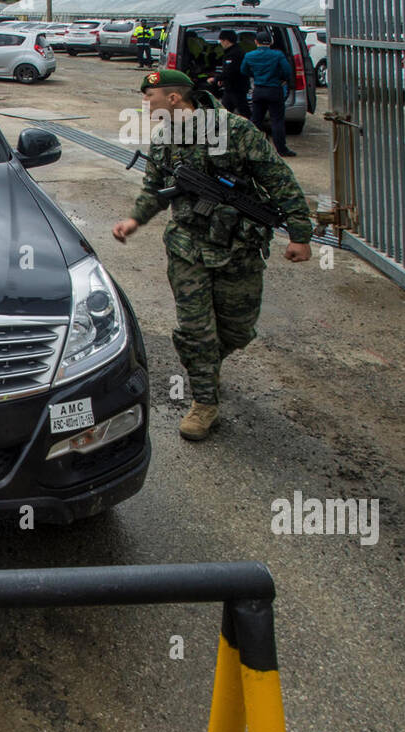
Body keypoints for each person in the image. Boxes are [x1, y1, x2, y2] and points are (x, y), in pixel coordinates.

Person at [111, 68, 313, 440]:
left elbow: (278, 179)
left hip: (239, 248)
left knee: (236, 330)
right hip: (188, 247)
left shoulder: (235, 130)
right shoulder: (164, 138)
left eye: (150, 99)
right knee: (196, 331)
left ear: (174, 99)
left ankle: (206, 363)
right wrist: (134, 220)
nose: (145, 105)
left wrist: (300, 233)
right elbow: (154, 188)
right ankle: (204, 403)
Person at [241, 29, 296, 156]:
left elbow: (243, 70)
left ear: (256, 42)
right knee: (277, 120)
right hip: (274, 90)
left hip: (259, 90)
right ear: (271, 42)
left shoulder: (249, 55)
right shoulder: (278, 55)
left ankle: (254, 147)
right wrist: (280, 79)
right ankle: (281, 149)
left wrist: (255, 75)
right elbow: (287, 71)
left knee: (256, 121)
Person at [217, 29, 250, 116]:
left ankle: (251, 127)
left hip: (237, 87)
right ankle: (223, 128)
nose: (221, 43)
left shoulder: (235, 53)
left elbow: (230, 70)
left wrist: (216, 78)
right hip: (230, 87)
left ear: (226, 40)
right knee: (225, 110)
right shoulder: (233, 51)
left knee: (243, 111)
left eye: (221, 41)